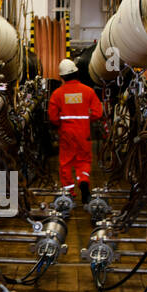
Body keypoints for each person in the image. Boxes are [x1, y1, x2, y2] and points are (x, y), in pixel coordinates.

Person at [47, 57, 103, 206]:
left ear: (62, 76)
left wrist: (60, 124)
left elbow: (52, 117)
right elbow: (98, 113)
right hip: (83, 133)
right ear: (77, 73)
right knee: (83, 161)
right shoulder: (88, 91)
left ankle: (69, 193)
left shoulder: (57, 94)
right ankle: (84, 182)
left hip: (66, 134)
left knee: (65, 163)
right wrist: (85, 119)